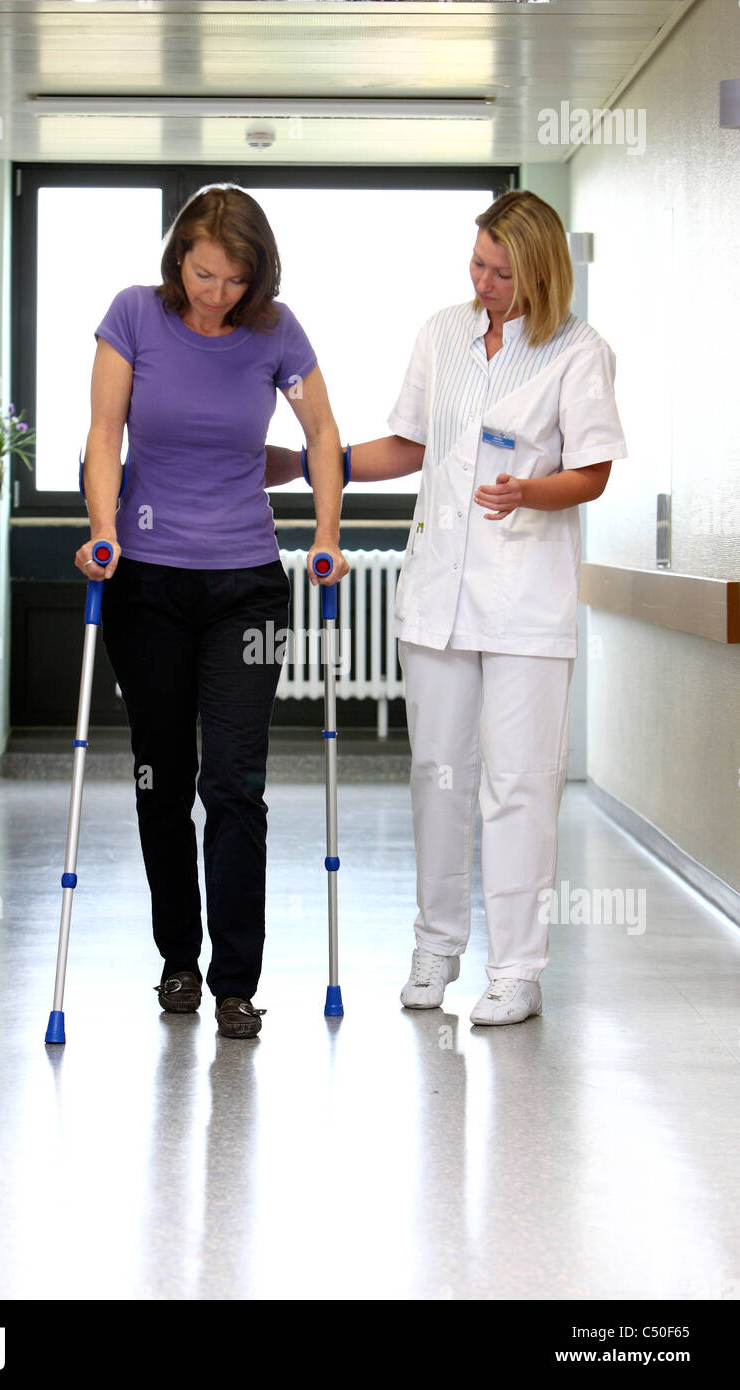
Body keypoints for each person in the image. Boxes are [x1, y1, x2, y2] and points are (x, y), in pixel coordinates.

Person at [266, 190, 627, 1025]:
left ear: (542, 273)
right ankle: (436, 946)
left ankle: (518, 969)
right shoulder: (442, 334)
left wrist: (529, 490)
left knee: (520, 786)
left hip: (526, 601)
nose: (484, 282)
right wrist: (315, 461)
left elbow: (595, 471)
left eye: (502, 272)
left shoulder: (579, 352)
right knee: (437, 778)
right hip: (437, 596)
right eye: (477, 263)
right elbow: (412, 444)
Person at [78, 183, 348, 1039]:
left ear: (258, 277)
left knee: (234, 783)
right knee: (161, 779)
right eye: (203, 275)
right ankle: (178, 962)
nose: (216, 294)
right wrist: (102, 529)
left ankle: (235, 982)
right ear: (178, 260)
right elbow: (104, 434)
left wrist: (328, 533)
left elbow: (323, 436)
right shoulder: (132, 316)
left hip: (246, 588)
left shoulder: (278, 331)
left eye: (235, 281)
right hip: (147, 584)